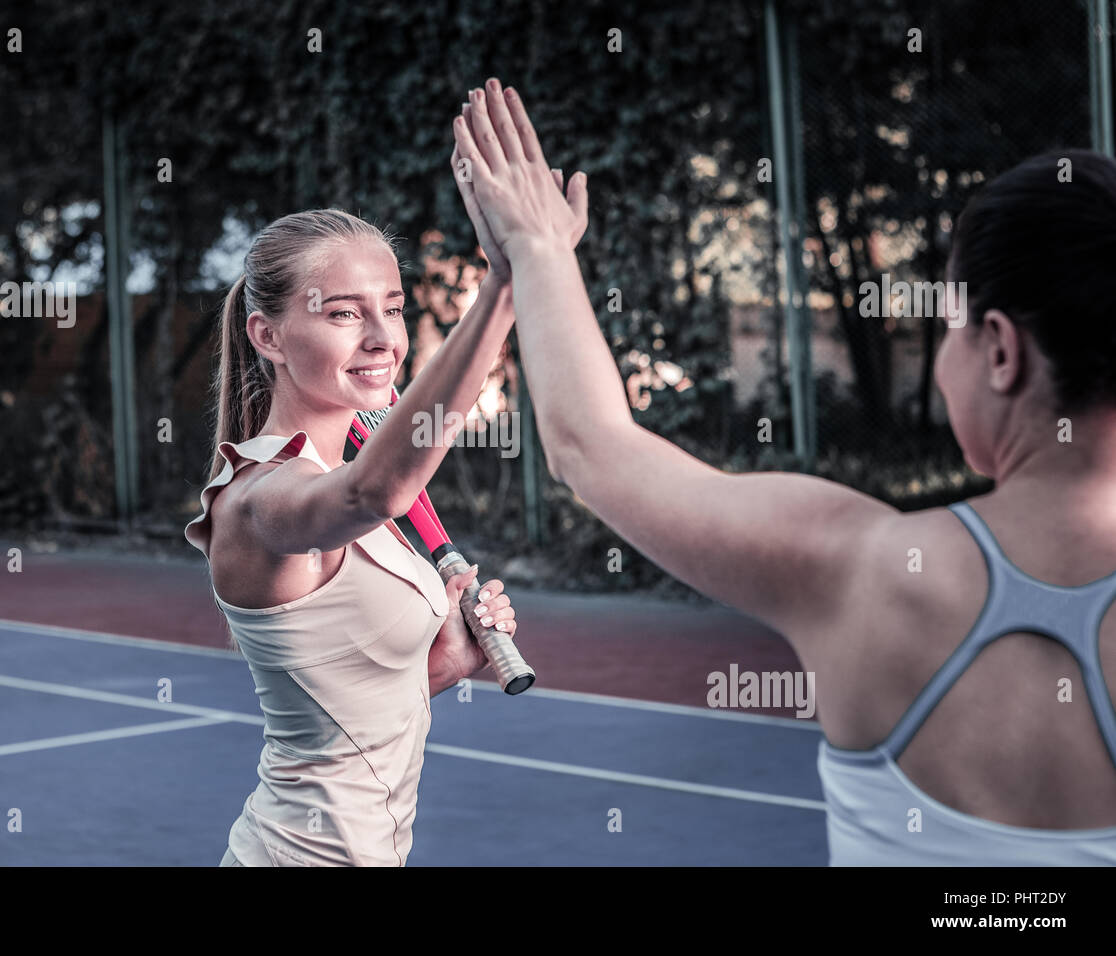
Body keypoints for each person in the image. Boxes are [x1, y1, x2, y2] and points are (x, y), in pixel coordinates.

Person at [453, 77, 1116, 864]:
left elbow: (589, 445)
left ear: (1001, 351)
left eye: (949, 327)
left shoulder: (860, 568)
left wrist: (537, 247)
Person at [187, 170, 586, 864]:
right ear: (269, 336)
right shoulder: (261, 500)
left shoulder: (346, 489)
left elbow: (344, 718)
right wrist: (502, 289)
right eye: (343, 313)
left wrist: (446, 662)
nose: (381, 337)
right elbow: (374, 494)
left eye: (393, 308)